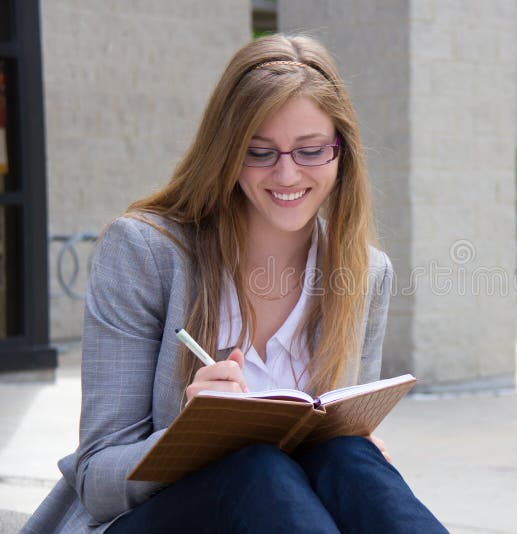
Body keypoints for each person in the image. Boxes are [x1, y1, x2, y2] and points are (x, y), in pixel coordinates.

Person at [23, 34, 447, 533]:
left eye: (311, 151)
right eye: (260, 152)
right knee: (256, 469)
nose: (287, 174)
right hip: (148, 520)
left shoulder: (366, 274)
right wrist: (189, 437)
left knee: (351, 458)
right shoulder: (144, 253)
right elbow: (96, 482)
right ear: (226, 153)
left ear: (342, 153)